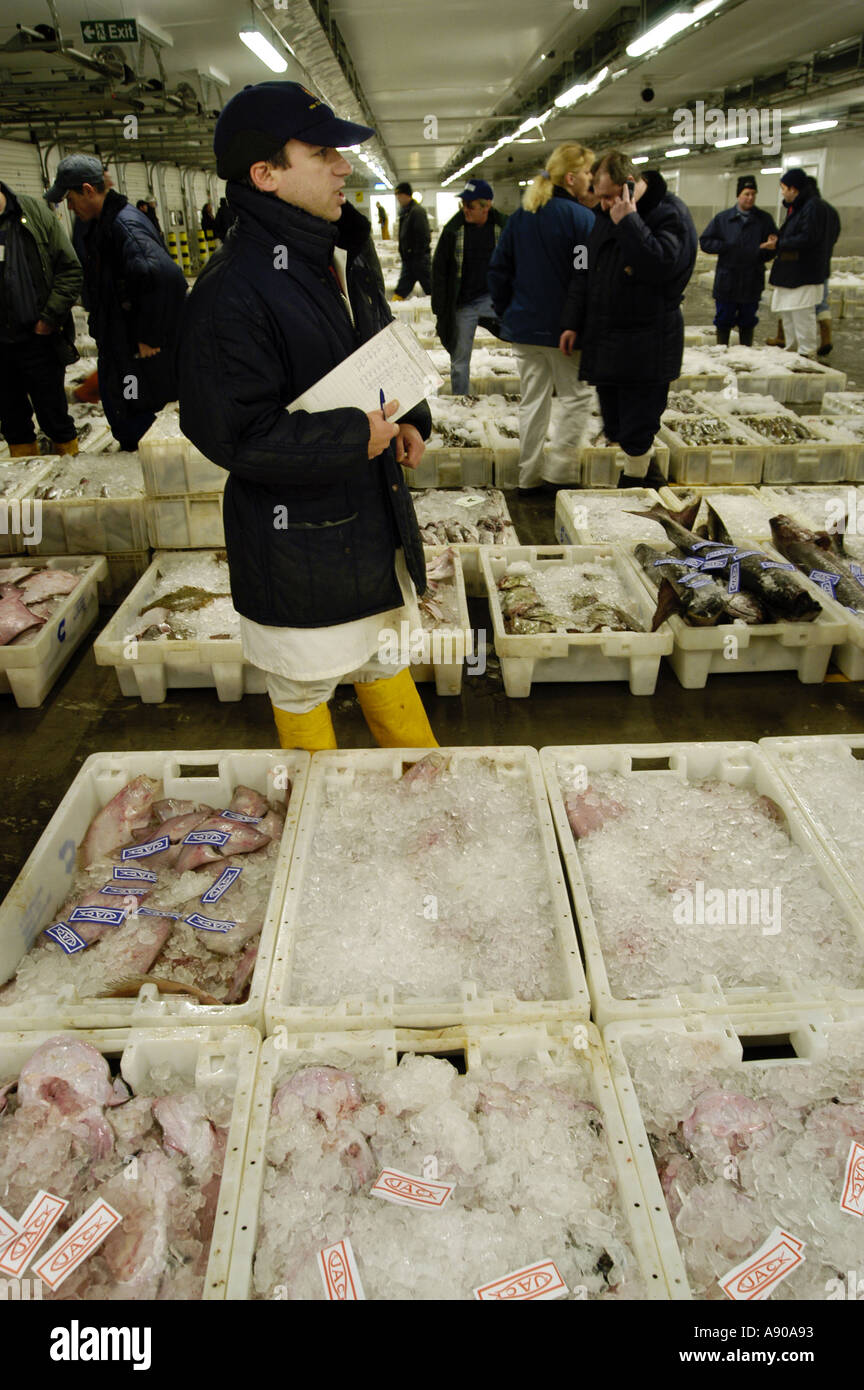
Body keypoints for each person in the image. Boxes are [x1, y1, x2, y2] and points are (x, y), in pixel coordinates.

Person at [176, 80, 437, 753]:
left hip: (370, 515)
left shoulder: (339, 253)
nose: (344, 166)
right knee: (304, 680)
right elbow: (233, 433)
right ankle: (316, 822)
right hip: (296, 543)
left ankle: (428, 790)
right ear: (265, 174)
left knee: (384, 655)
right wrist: (356, 435)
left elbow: (373, 351)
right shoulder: (230, 290)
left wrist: (409, 416)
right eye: (323, 153)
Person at [560, 149, 697, 488]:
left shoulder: (670, 214)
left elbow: (662, 267)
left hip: (648, 340)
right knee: (617, 425)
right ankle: (647, 478)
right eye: (600, 197)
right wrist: (572, 320)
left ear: (629, 185)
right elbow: (583, 269)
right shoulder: (606, 215)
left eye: (608, 197)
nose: (602, 204)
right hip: (608, 338)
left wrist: (630, 222)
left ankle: (635, 489)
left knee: (638, 424)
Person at [46, 155, 187, 452]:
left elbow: (164, 275)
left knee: (136, 418)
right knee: (124, 410)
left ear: (87, 190)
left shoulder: (124, 224)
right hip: (120, 344)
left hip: (133, 351)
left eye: (70, 199)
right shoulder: (104, 224)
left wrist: (149, 334)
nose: (69, 207)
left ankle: (150, 472)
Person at [487, 147, 596, 494]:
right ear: (571, 177)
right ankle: (560, 472)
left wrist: (508, 312)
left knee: (532, 402)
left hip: (525, 328)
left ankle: (528, 477)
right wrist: (578, 321)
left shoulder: (522, 217)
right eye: (588, 172)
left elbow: (499, 268)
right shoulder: (582, 220)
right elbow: (585, 274)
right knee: (576, 397)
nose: (591, 179)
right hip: (565, 332)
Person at [0, 180, 81, 457]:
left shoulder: (33, 212)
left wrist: (49, 318)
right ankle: (28, 490)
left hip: (38, 339)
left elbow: (70, 270)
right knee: (12, 421)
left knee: (54, 416)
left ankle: (70, 480)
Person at [432, 179, 507, 396]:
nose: (465, 210)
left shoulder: (504, 227)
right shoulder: (453, 231)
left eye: (470, 206)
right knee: (459, 358)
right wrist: (440, 309)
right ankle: (460, 399)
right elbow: (439, 271)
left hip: (494, 300)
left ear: (487, 206)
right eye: (463, 205)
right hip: (464, 304)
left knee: (525, 342)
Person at [698, 176, 778, 345]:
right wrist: (725, 246)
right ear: (738, 195)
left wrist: (767, 249)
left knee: (748, 320)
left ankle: (745, 354)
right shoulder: (723, 219)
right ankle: (721, 352)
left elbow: (773, 247)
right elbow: (705, 242)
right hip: (728, 279)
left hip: (752, 279)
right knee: (723, 318)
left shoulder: (764, 219)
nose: (750, 198)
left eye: (753, 194)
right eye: (746, 193)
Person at [767, 168, 837, 359]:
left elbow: (808, 238)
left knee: (801, 316)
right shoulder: (801, 207)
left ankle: (805, 354)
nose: (782, 192)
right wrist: (779, 239)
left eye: (783, 188)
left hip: (803, 274)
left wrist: (779, 243)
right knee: (789, 314)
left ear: (793, 188)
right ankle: (792, 352)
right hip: (792, 274)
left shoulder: (813, 207)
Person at [393, 182, 431, 299]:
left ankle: (442, 313)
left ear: (406, 195)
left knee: (431, 288)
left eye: (399, 195)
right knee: (401, 289)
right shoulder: (406, 212)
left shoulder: (417, 211)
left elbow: (424, 235)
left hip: (418, 260)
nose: (397, 198)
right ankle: (392, 312)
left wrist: (415, 254)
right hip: (410, 260)